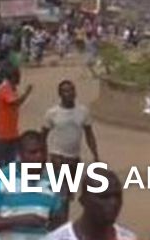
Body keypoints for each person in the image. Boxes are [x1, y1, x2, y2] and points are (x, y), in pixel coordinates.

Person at [0, 130, 63, 239]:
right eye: (33, 152)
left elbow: (58, 222)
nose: (39, 157)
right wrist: (20, 220)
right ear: (20, 154)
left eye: (43, 151)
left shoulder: (53, 180)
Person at [42, 80, 100, 223]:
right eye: (65, 91)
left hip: (74, 160)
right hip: (58, 159)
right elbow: (42, 136)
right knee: (59, 195)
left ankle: (60, 224)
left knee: (68, 197)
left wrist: (95, 155)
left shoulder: (83, 112)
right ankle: (57, 224)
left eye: (71, 90)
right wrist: (43, 157)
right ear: (60, 94)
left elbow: (89, 134)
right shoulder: (52, 113)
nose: (69, 94)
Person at [43, 168, 136, 239]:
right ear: (83, 201)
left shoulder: (128, 237)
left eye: (117, 196)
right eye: (104, 197)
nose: (113, 203)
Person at [0, 66, 33, 166]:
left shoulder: (9, 88)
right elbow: (15, 102)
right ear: (12, 77)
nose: (19, 78)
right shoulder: (5, 88)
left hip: (10, 131)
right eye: (18, 76)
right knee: (7, 162)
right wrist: (27, 93)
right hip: (4, 133)